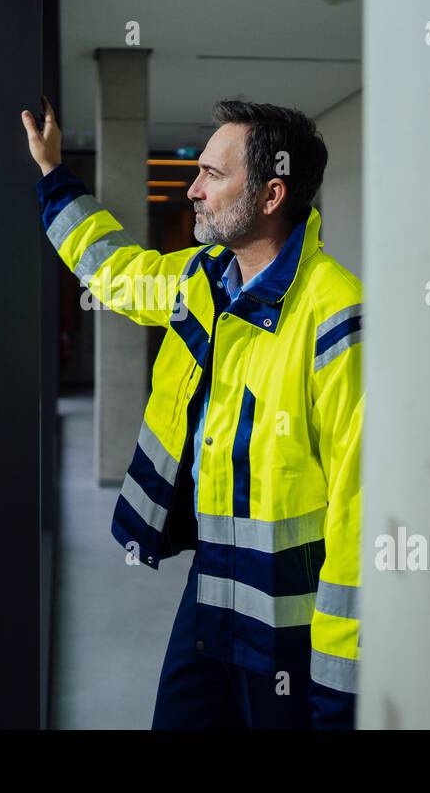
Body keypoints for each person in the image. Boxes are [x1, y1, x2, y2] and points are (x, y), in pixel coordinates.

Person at [22, 97, 363, 729]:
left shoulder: (336, 316)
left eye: (212, 174)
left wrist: (342, 688)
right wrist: (53, 175)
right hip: (213, 583)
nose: (193, 189)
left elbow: (359, 519)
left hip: (287, 617)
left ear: (270, 194)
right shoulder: (204, 277)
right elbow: (118, 273)